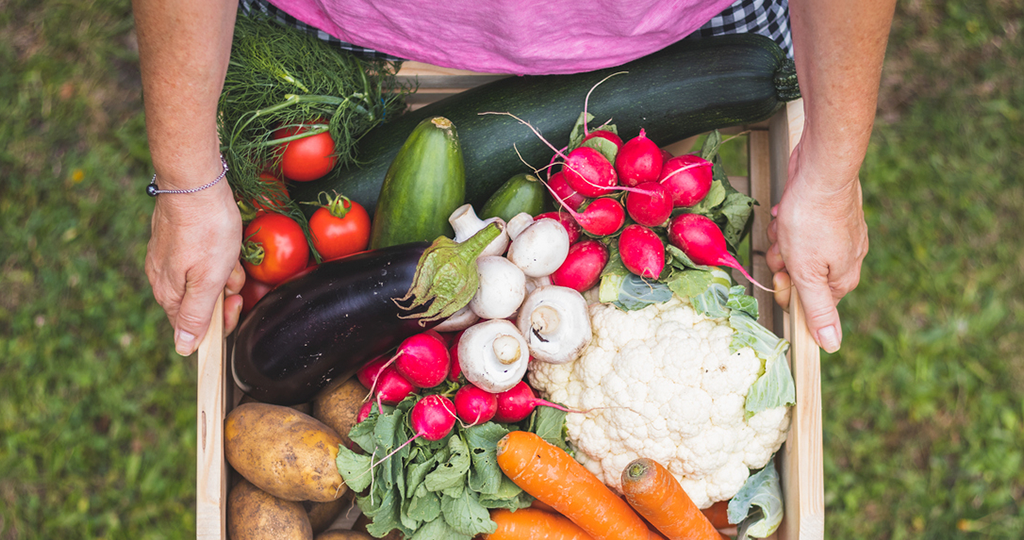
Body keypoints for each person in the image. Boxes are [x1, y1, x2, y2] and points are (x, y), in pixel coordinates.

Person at [131, 0, 896, 357]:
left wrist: (831, 177)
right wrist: (189, 182)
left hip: (681, 32)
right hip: (341, 36)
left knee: (656, 175)